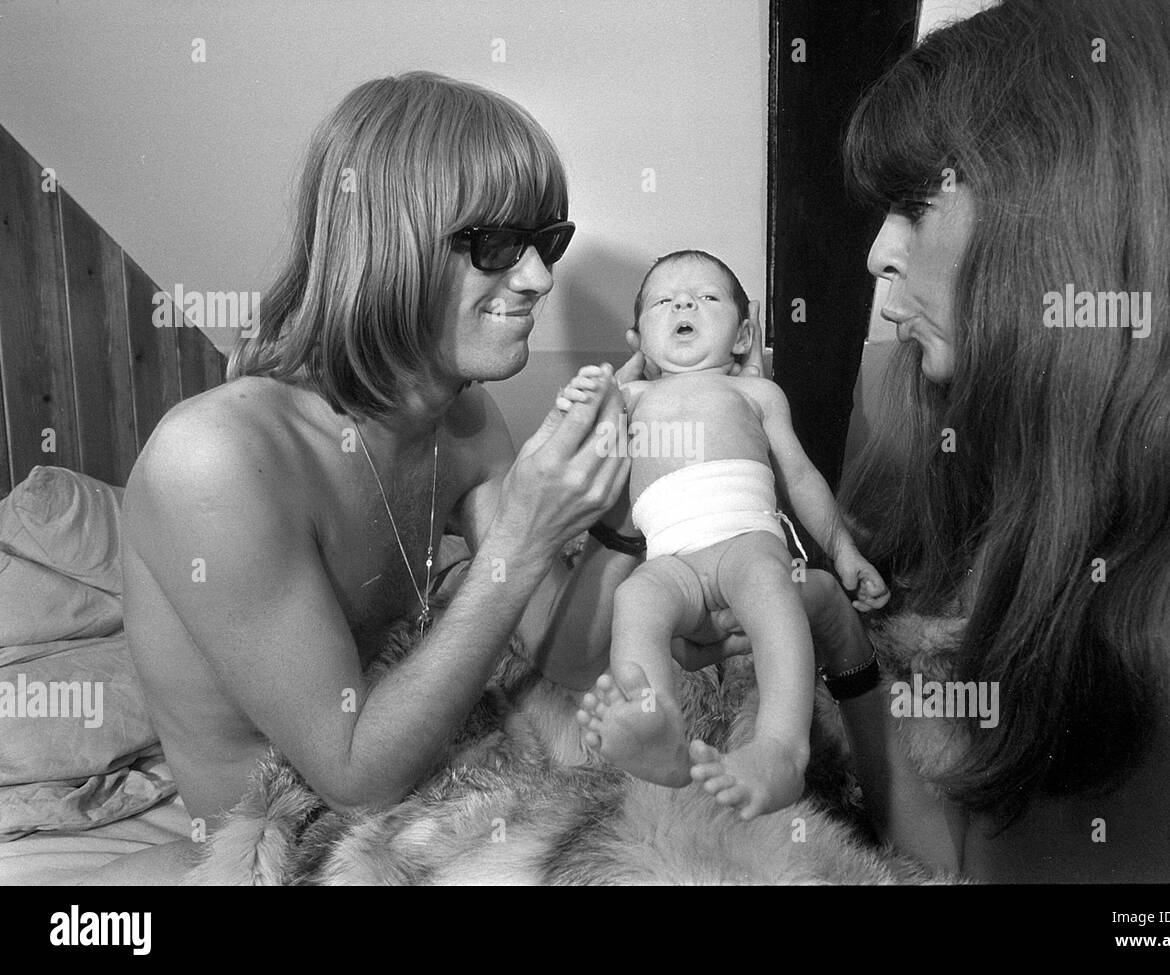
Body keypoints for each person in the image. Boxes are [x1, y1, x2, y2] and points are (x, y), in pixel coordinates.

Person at [109, 72, 747, 884]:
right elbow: (351, 769)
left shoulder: (466, 420)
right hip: (285, 838)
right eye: (494, 246)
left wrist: (620, 531)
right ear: (387, 244)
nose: (539, 279)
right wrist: (523, 532)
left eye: (545, 241)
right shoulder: (216, 456)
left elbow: (562, 649)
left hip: (423, 789)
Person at [827, 0, 1170, 882]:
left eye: (916, 199)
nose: (877, 253)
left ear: (1073, 203)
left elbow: (999, 875)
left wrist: (847, 664)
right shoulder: (1084, 441)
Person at [566, 251, 887, 819]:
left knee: (773, 590)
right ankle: (657, 722)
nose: (685, 303)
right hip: (671, 564)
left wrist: (842, 549)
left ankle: (781, 748)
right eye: (664, 301)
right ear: (638, 336)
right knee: (633, 598)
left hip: (746, 546)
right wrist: (603, 390)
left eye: (707, 298)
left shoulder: (758, 394)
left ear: (743, 335)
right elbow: (587, 452)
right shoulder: (632, 399)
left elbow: (800, 476)